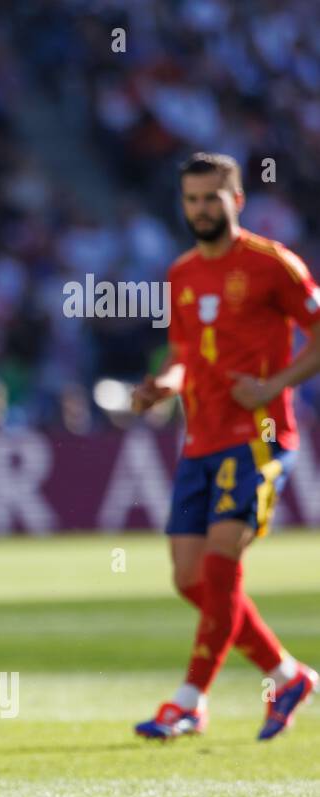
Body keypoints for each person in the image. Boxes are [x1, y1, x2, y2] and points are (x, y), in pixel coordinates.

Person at [132, 152, 320, 741]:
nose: (201, 209)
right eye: (192, 200)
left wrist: (274, 385)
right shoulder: (181, 273)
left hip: (259, 439)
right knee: (189, 578)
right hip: (201, 439)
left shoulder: (272, 265)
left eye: (212, 198)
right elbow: (184, 356)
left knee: (219, 565)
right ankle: (286, 675)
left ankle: (190, 699)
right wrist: (164, 385)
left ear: (237, 199)